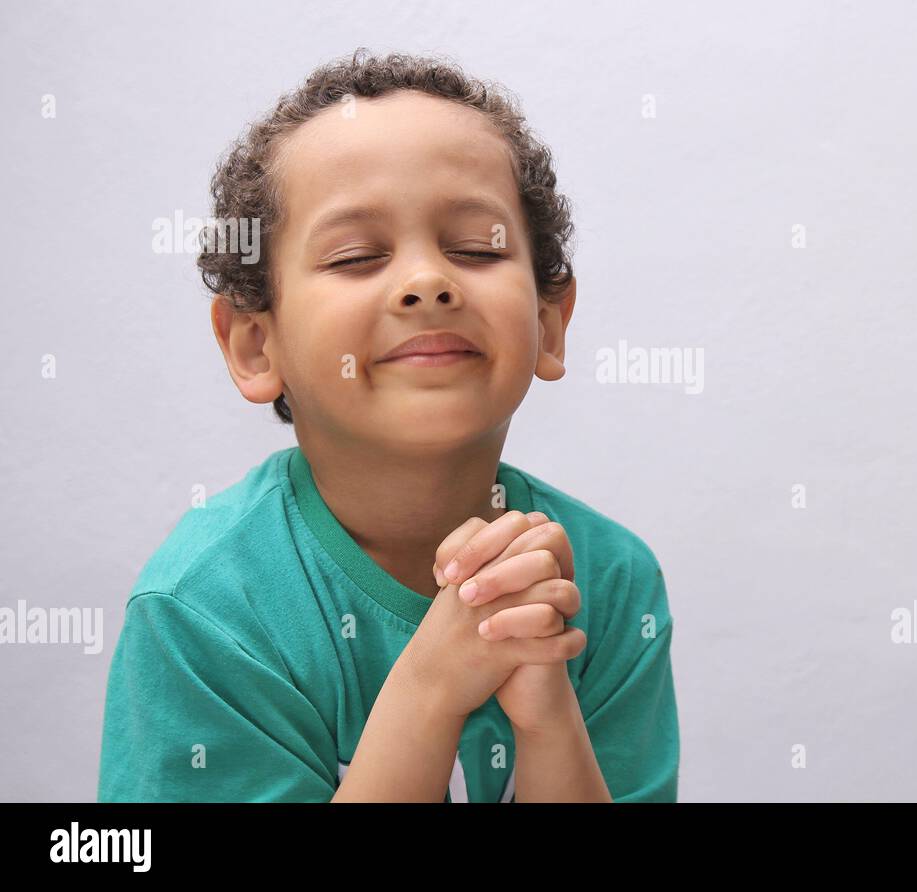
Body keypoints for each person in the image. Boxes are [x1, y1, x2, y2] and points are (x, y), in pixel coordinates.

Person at [97, 48, 678, 802]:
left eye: (475, 248)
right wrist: (432, 688)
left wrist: (550, 723)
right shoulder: (206, 613)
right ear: (255, 344)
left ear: (548, 324)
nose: (427, 283)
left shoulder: (608, 582)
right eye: (356, 255)